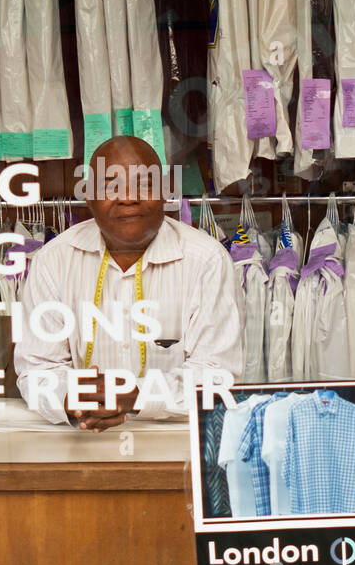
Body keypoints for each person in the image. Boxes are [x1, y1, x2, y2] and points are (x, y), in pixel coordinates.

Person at [15, 136, 244, 430]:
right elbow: (36, 369)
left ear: (165, 192)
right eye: (110, 186)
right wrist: (74, 398)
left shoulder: (207, 261)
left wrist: (136, 395)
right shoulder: (54, 260)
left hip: (178, 443)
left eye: (143, 184)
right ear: (89, 197)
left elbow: (217, 374)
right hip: (82, 440)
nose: (127, 197)